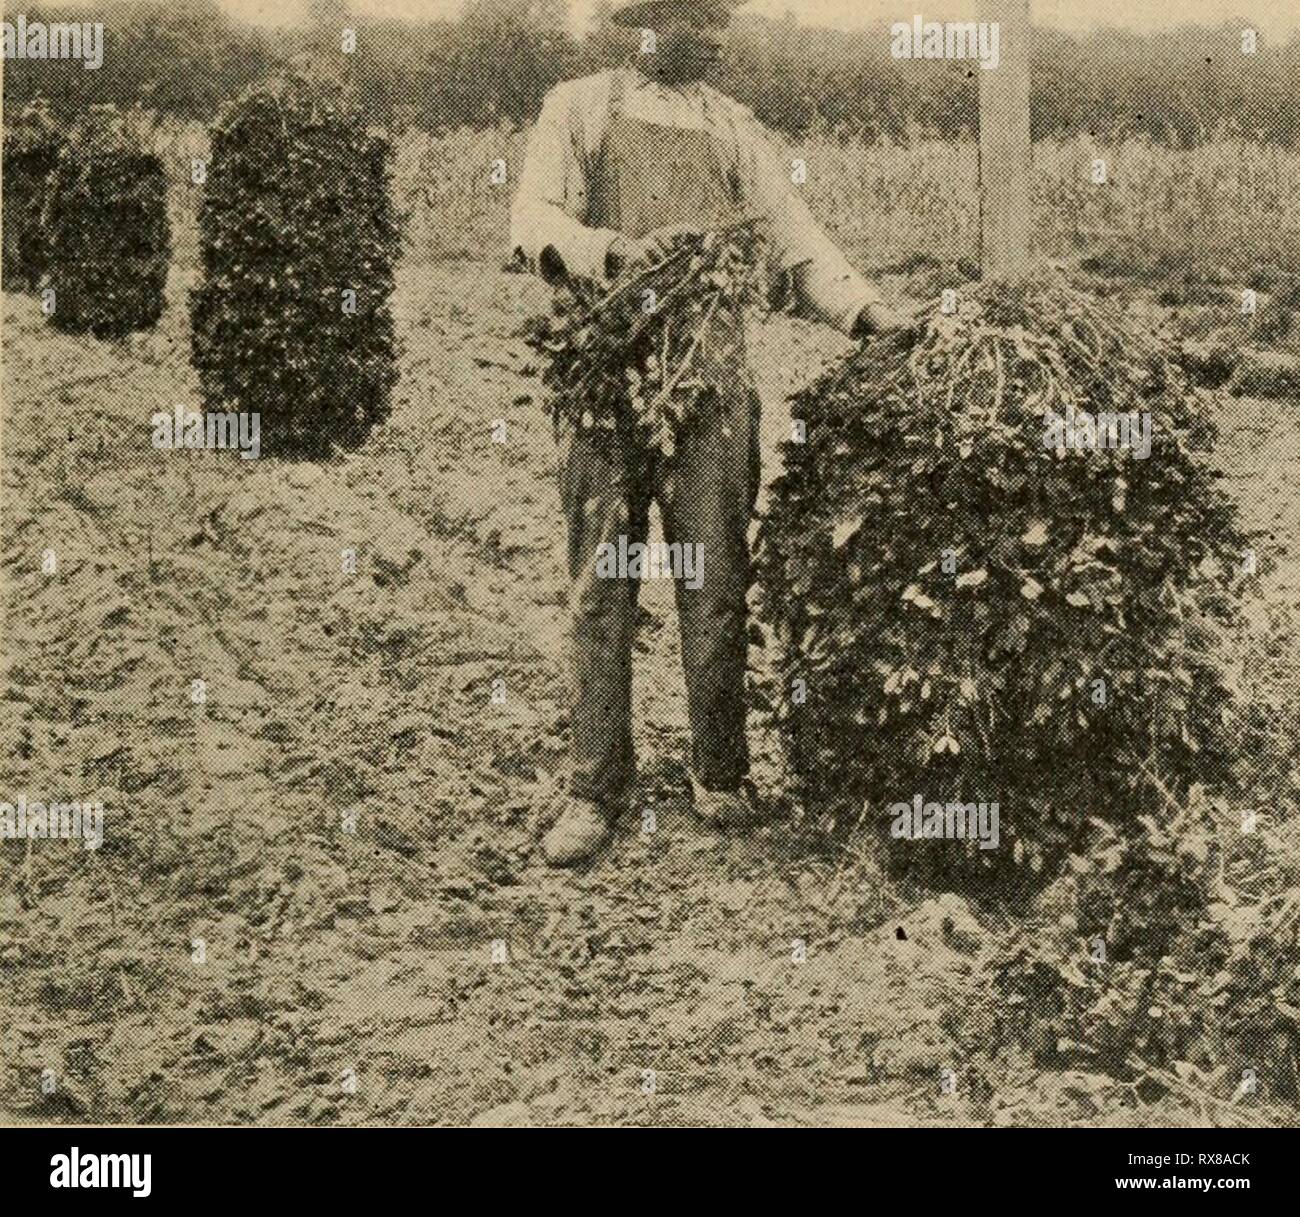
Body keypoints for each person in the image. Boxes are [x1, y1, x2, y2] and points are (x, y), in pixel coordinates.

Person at [511, 0, 907, 866]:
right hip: (606, 385)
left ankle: (720, 772)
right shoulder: (579, 107)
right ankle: (593, 787)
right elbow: (533, 221)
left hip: (712, 392)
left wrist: (868, 312)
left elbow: (796, 241)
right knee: (604, 583)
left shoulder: (734, 129)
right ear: (652, 24)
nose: (719, 39)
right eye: (702, 20)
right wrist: (613, 252)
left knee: (717, 577)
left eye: (722, 21)